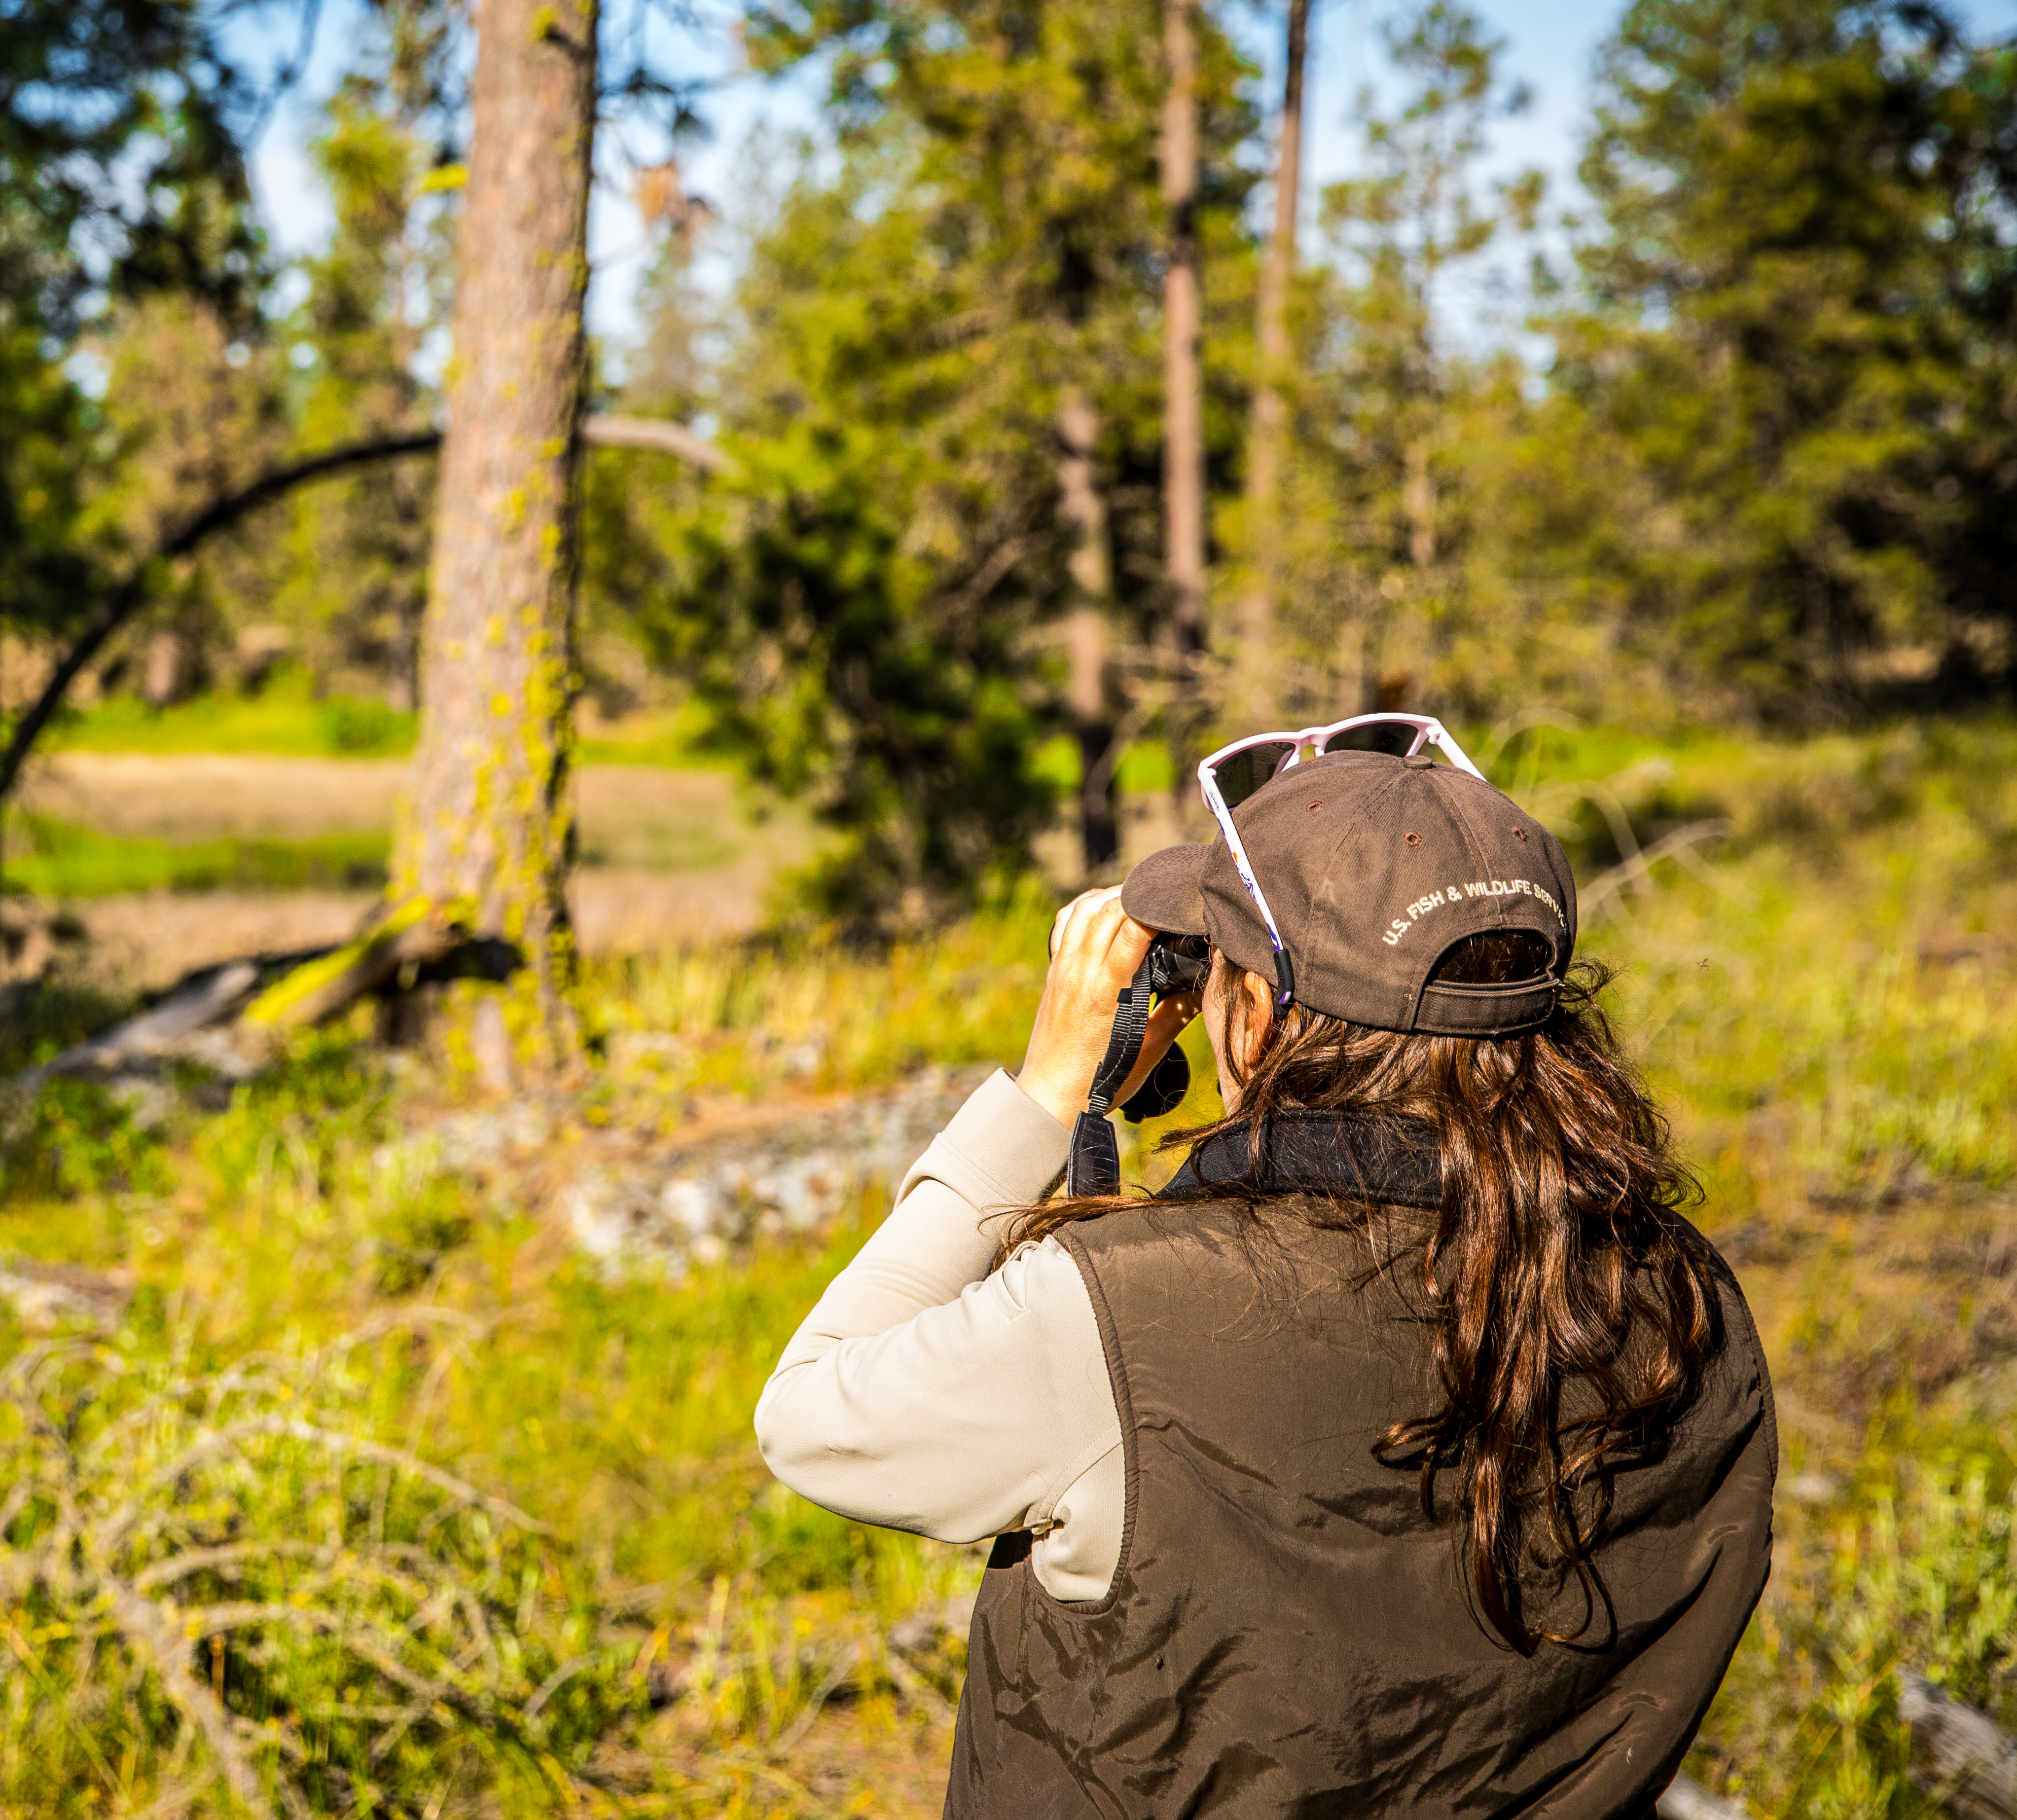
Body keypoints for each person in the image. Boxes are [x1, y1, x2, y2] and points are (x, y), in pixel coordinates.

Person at [755, 720, 1776, 1819]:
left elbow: (811, 1414)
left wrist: (1048, 1092)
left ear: (1265, 1007)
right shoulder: (1686, 1300)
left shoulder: (1122, 1315)